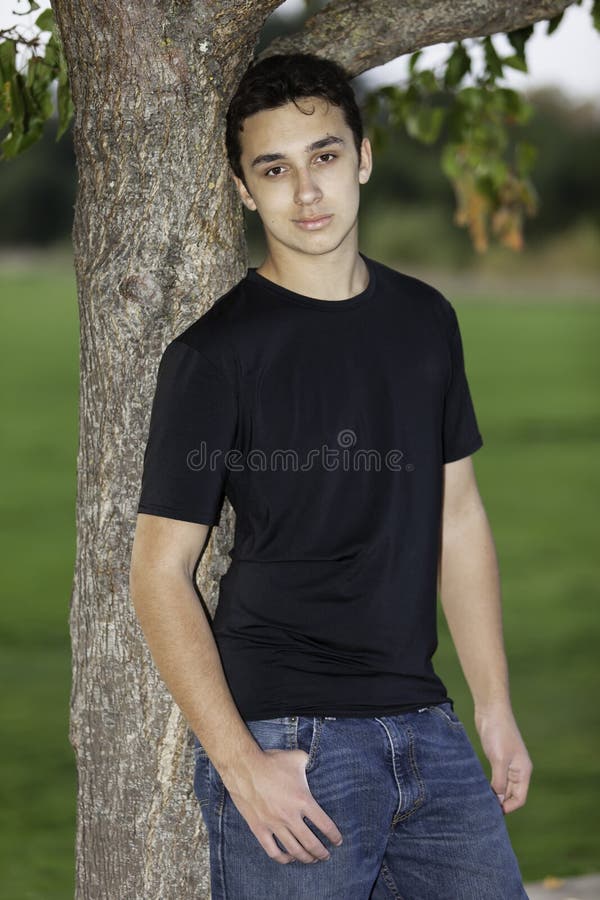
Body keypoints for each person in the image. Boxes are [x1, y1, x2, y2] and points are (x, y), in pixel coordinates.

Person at [129, 51, 533, 899]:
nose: (305, 192)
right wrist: (240, 764)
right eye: (274, 169)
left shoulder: (426, 321)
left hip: (428, 727)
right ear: (244, 189)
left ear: (364, 157)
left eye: (324, 156)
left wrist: (493, 709)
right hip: (291, 743)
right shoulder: (215, 356)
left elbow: (457, 516)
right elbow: (159, 573)